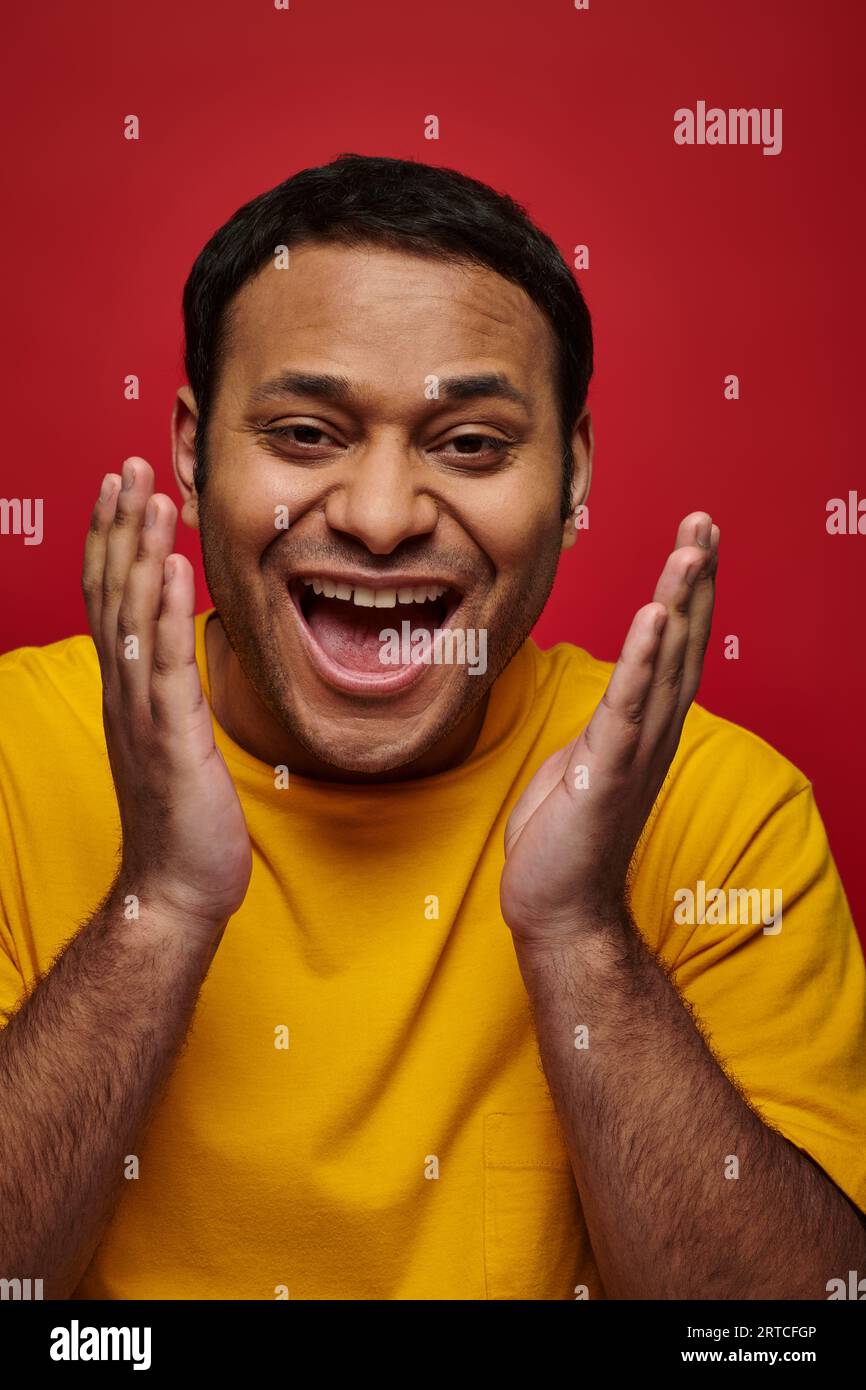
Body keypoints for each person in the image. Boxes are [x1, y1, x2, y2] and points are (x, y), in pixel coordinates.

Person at [0, 154, 864, 1301]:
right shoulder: (14, 754)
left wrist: (579, 940)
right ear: (192, 447)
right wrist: (155, 908)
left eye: (469, 445)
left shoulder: (720, 807)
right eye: (305, 433)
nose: (378, 516)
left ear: (575, 473)